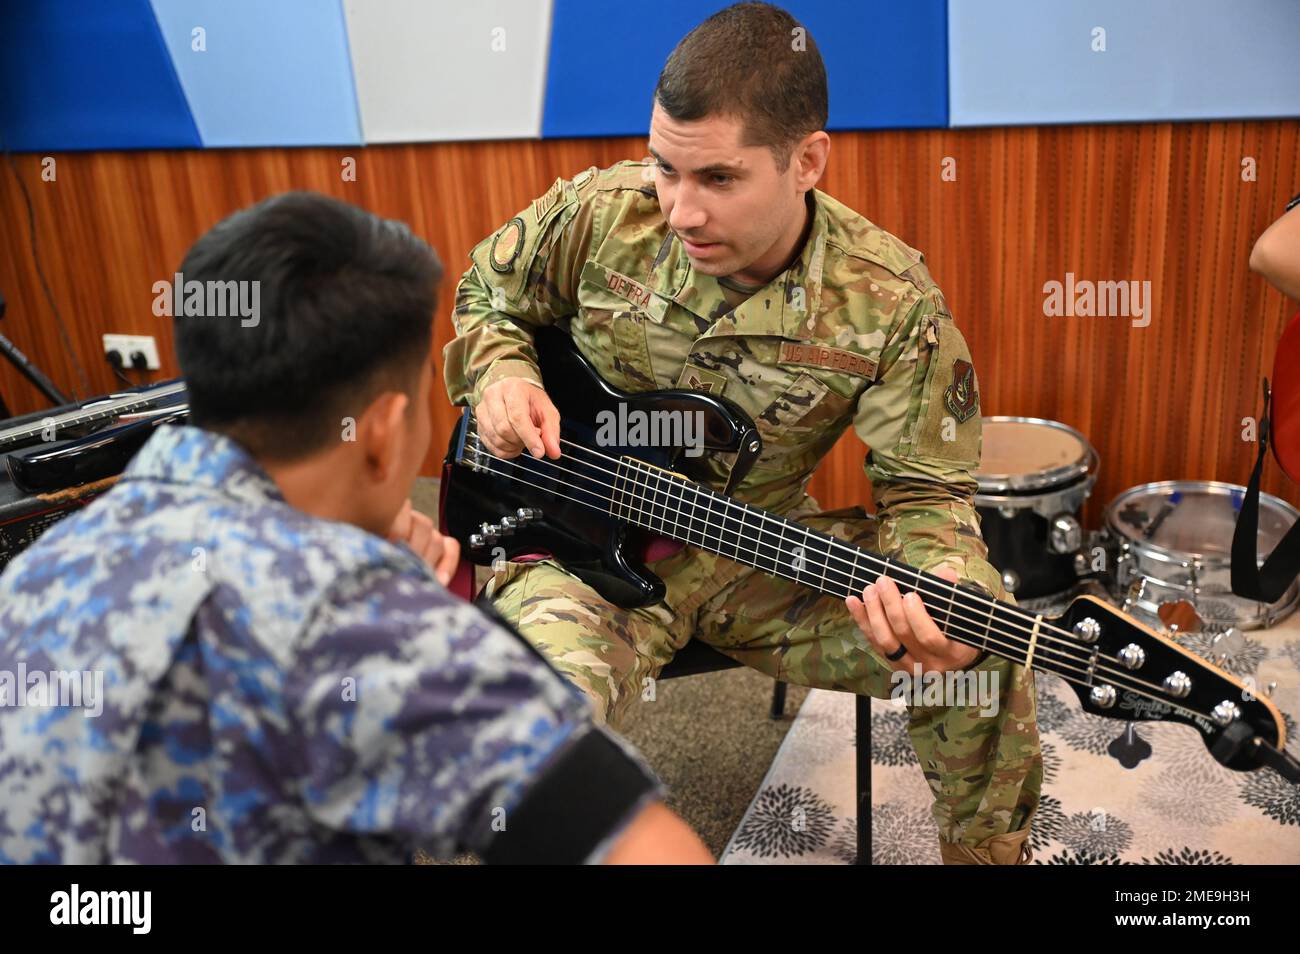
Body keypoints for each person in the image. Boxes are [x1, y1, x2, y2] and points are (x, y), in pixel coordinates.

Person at [443, 2, 1042, 865]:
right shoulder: (602, 214)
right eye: (664, 169)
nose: (681, 209)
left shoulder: (888, 300)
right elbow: (488, 297)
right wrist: (503, 373)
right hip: (577, 556)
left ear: (808, 160)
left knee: (978, 651)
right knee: (531, 754)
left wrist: (941, 582)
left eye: (718, 179)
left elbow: (925, 490)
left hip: (761, 556)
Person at [0, 191, 712, 865]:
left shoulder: (35, 573)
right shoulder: (368, 622)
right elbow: (647, 850)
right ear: (382, 434)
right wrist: (438, 624)